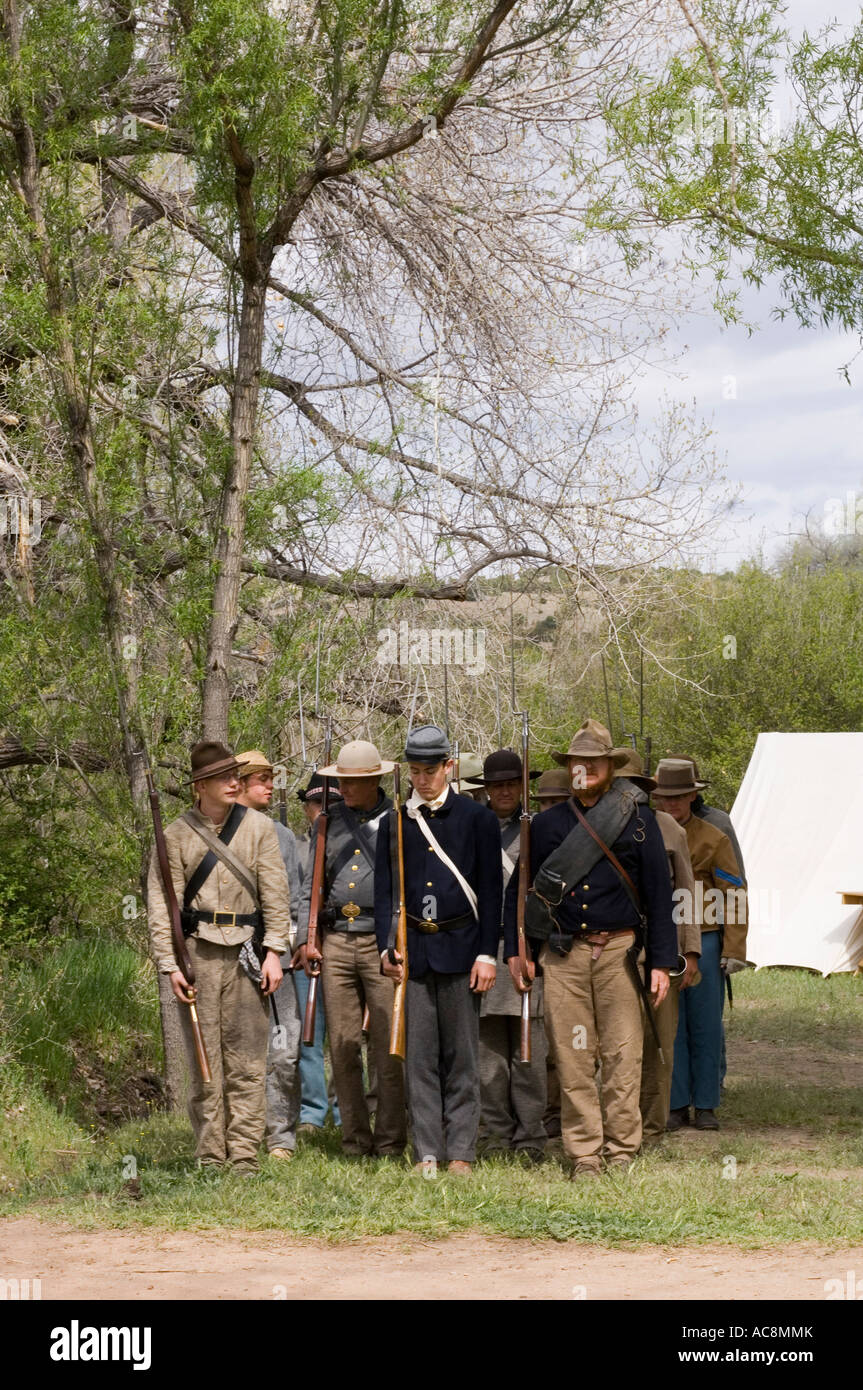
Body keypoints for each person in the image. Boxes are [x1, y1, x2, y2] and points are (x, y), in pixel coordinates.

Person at [504, 719, 677, 1178]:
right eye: (579, 762)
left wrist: (661, 962)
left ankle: (621, 1149)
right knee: (573, 1056)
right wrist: (518, 951)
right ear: (570, 768)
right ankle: (584, 1152)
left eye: (595, 761)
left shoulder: (639, 821)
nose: (586, 768)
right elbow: (518, 895)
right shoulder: (545, 825)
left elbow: (660, 896)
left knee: (623, 1054)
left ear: (610, 767)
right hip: (564, 956)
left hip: (620, 954)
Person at [146, 740, 288, 1173]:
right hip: (198, 955)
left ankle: (244, 1154)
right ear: (200, 786)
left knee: (247, 1062)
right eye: (222, 777)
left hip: (247, 952)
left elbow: (275, 893)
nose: (233, 782)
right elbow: (162, 904)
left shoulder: (259, 828)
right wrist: (169, 964)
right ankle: (210, 1155)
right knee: (205, 1063)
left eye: (235, 775)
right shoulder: (174, 835)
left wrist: (274, 951)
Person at [375, 724, 502, 1176]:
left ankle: (461, 1151)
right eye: (414, 771)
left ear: (448, 766)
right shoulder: (395, 822)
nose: (422, 780)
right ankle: (427, 1151)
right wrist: (386, 947)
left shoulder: (478, 819)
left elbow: (491, 892)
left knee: (462, 1058)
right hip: (415, 952)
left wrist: (487, 954)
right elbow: (385, 892)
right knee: (420, 1060)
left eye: (429, 771)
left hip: (463, 948)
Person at [295, 741, 406, 1159]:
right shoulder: (327, 823)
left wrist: (397, 941)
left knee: (387, 1046)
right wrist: (307, 939)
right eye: (341, 781)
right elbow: (311, 886)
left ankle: (391, 1140)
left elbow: (405, 886)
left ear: (374, 780)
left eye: (353, 782)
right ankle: (355, 1140)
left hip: (381, 941)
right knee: (342, 1046)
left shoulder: (398, 820)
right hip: (337, 938)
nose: (344, 788)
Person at [610, 750, 701, 1147]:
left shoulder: (667, 827)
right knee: (616, 1046)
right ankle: (618, 1127)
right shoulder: (591, 827)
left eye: (632, 785)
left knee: (659, 1045)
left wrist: (690, 951)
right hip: (613, 951)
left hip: (660, 951)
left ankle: (651, 1130)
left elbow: (685, 894)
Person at [652, 758, 747, 1132]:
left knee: (706, 1026)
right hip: (663, 939)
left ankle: (706, 1104)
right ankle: (676, 1104)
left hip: (705, 938)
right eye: (665, 797)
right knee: (670, 1027)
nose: (672, 803)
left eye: (679, 796)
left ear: (693, 796)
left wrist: (734, 948)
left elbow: (733, 894)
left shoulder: (713, 837)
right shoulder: (647, 833)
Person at [466, 749, 547, 1162]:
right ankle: (495, 1134)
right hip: (483, 949)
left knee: (529, 1053)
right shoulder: (472, 828)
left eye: (512, 784)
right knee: (488, 1055)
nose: (504, 792)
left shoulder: (538, 830)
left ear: (522, 787)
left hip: (525, 949)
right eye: (497, 785)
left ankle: (530, 1136)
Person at [236, 751, 302, 1162]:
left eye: (270, 777)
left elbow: (293, 901)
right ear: (239, 783)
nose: (270, 785)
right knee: (240, 1051)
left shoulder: (283, 837)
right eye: (261, 779)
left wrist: (279, 950)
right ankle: (241, 1134)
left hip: (278, 957)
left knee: (283, 1049)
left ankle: (280, 1138)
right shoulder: (215, 832)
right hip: (231, 957)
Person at [293, 775, 342, 1134]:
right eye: (317, 804)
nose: (324, 810)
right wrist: (300, 941)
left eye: (332, 804)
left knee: (344, 1035)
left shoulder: (351, 843)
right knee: (308, 1035)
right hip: (303, 949)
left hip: (342, 946)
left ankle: (345, 1111)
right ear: (307, 808)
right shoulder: (294, 847)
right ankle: (312, 1113)